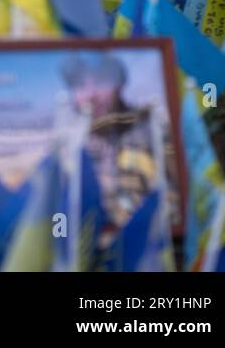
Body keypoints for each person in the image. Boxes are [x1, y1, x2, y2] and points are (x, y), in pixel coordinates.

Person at [60, 53, 159, 239]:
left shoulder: (153, 132)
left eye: (100, 81)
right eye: (80, 85)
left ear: (119, 84)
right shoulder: (70, 146)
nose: (90, 95)